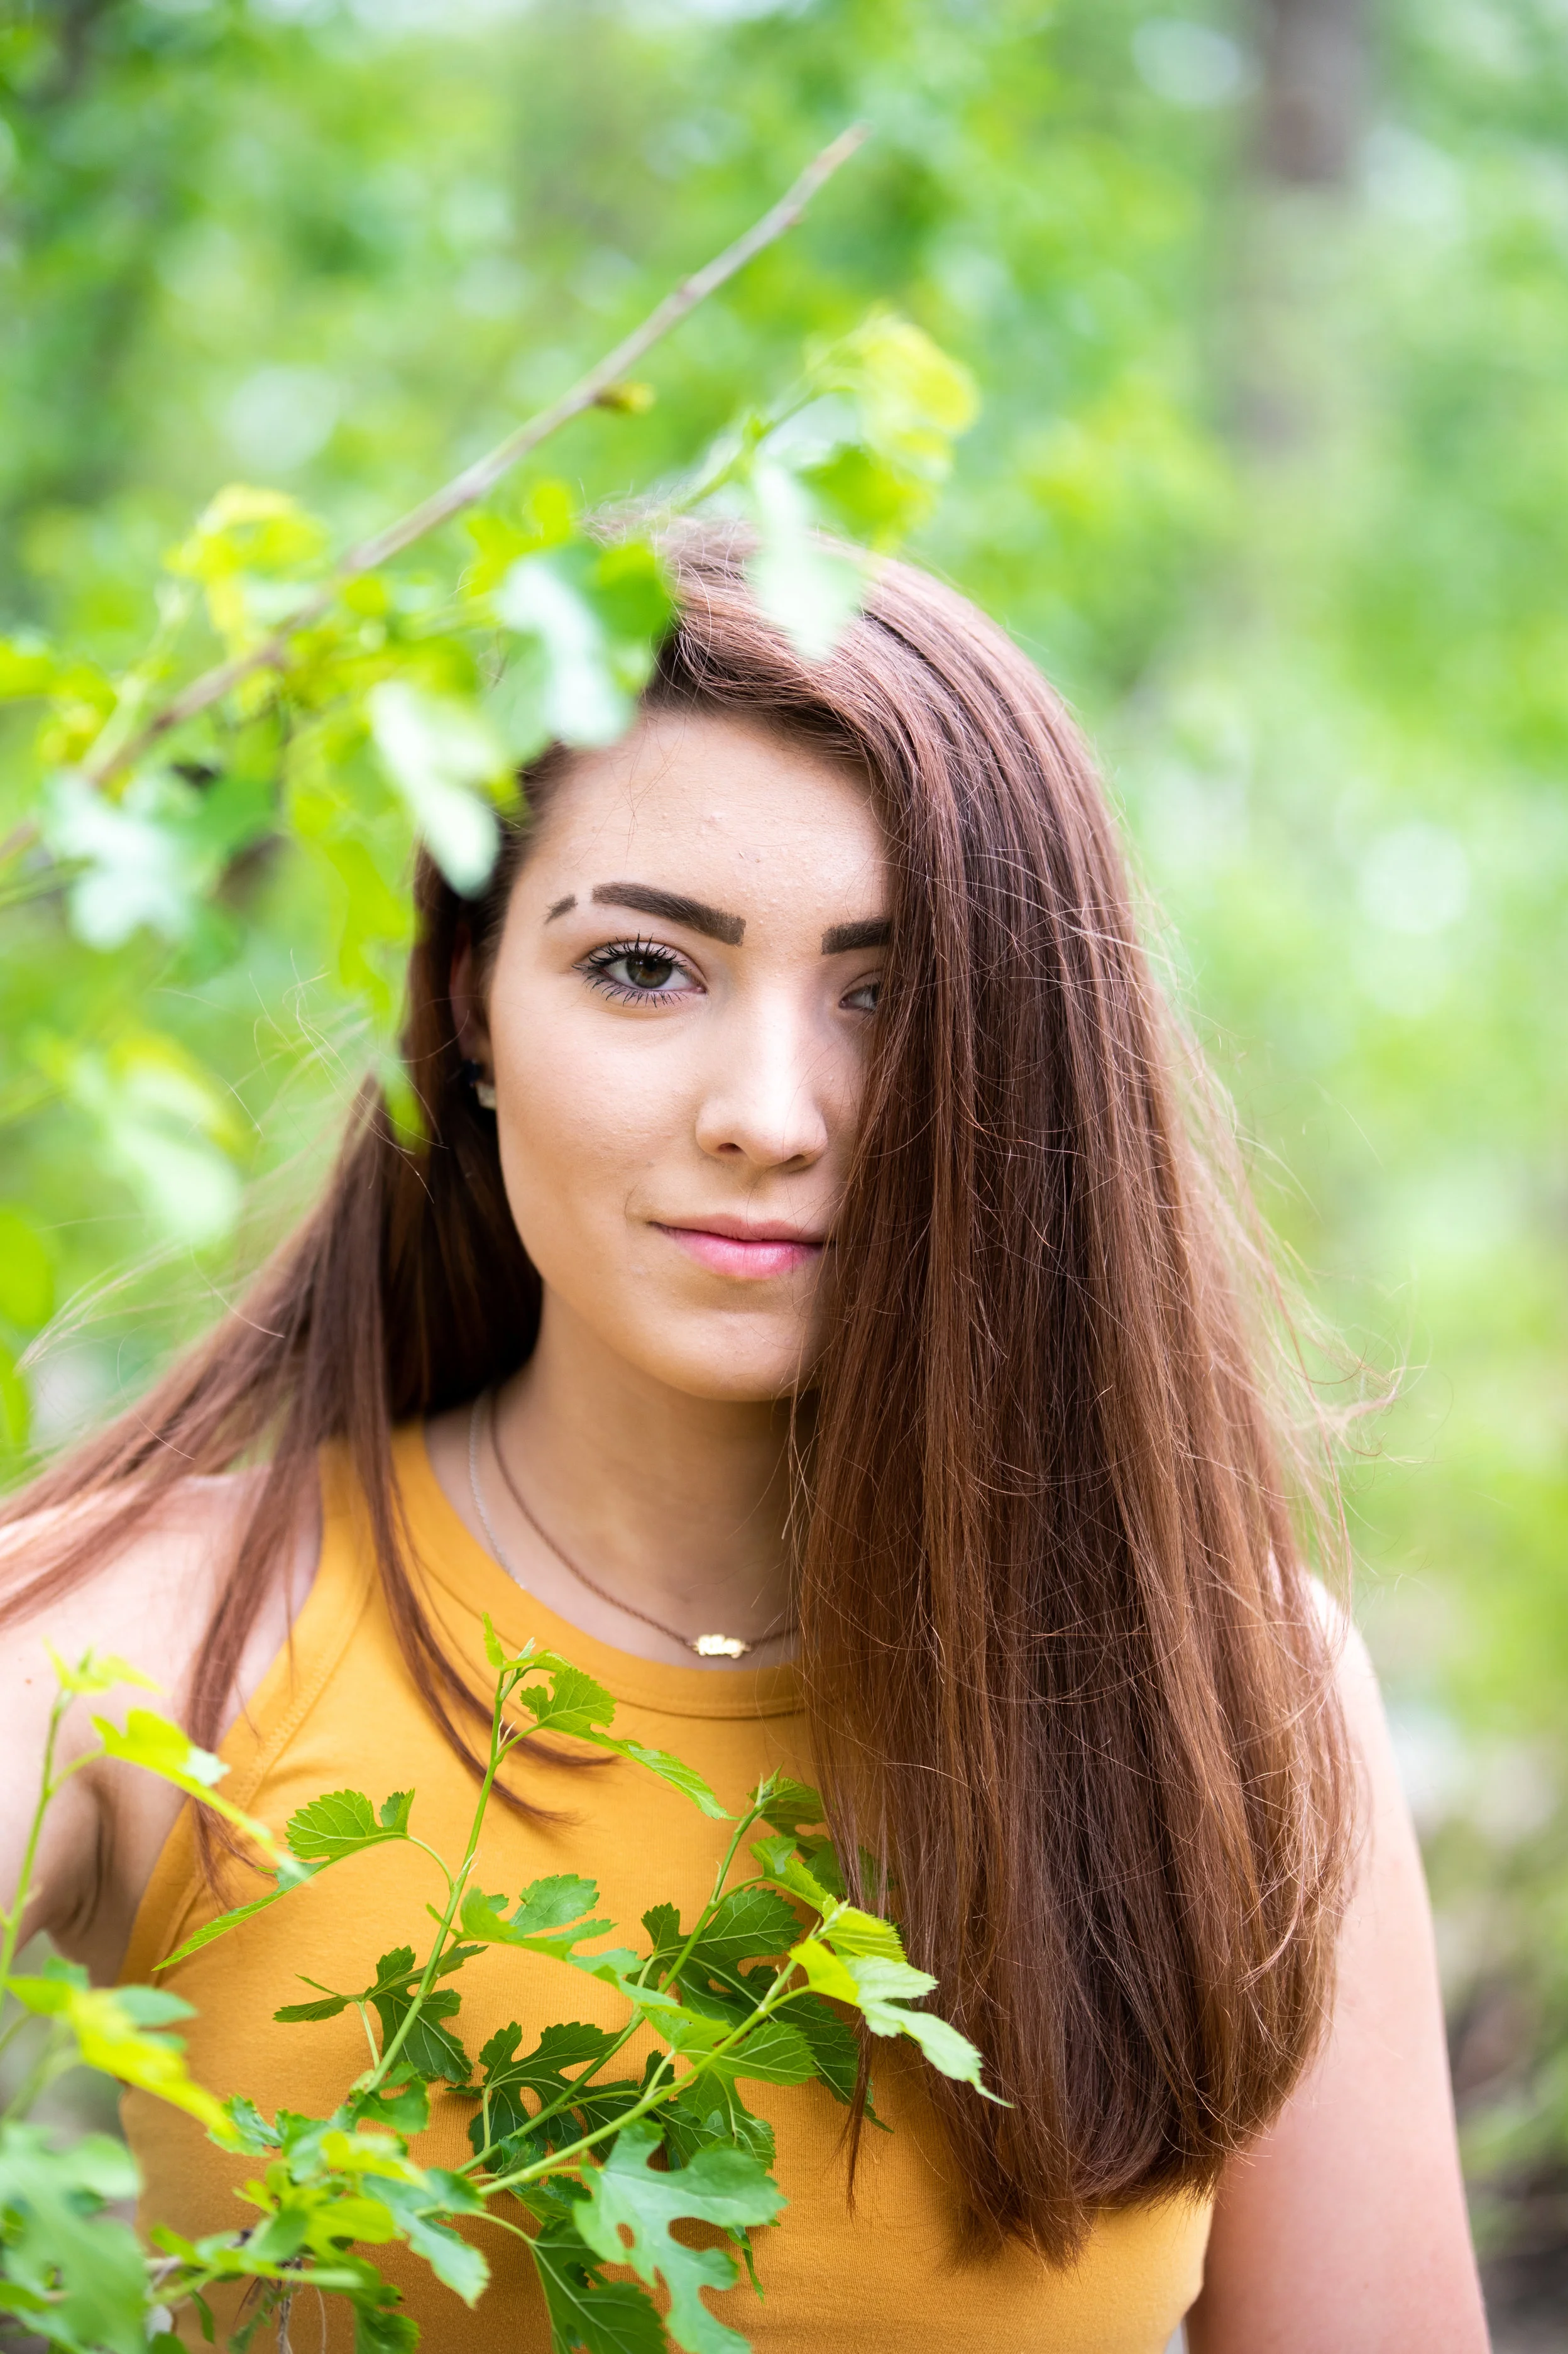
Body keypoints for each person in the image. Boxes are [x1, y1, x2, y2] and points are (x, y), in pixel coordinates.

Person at [1, 534, 1488, 2351]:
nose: (769, 1117)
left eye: (888, 996)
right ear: (470, 1000)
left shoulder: (1224, 1690)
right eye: (642, 969)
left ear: (1023, 1057)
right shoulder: (128, 1649)